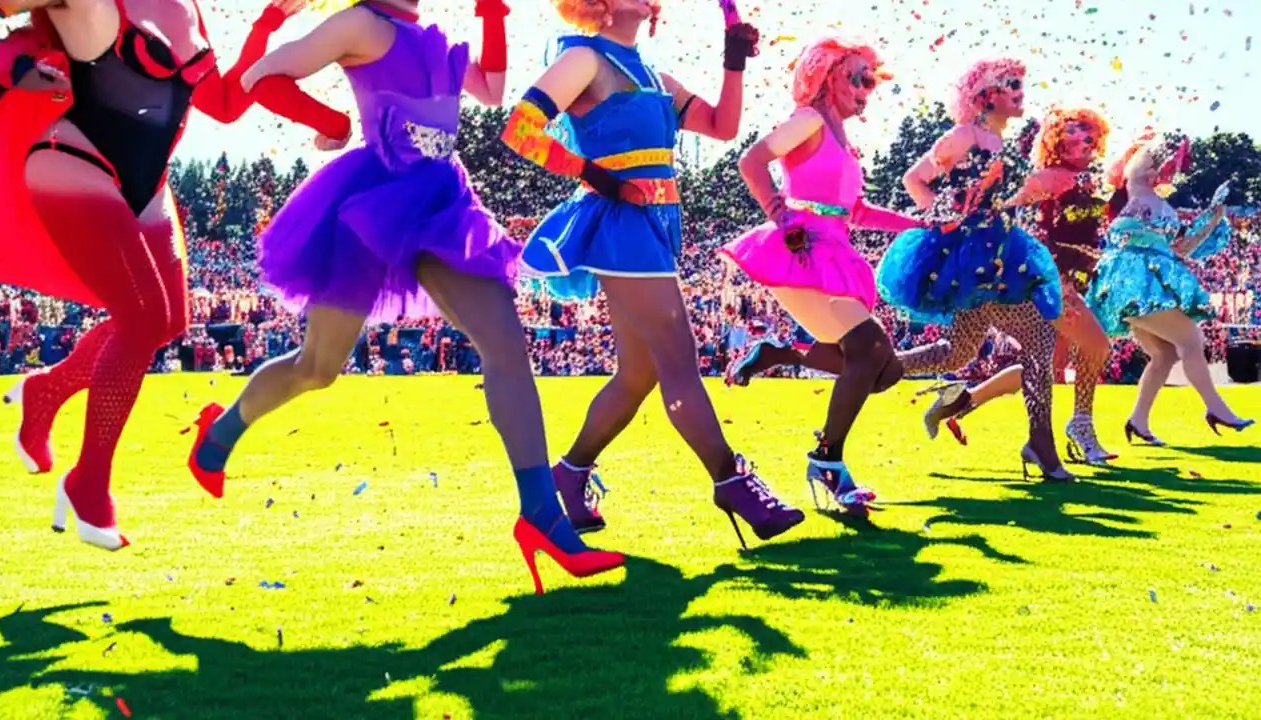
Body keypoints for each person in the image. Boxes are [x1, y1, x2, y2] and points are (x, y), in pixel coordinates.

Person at [186, 0, 623, 593]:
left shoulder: (431, 35)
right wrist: (335, 125)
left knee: (506, 344)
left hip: (442, 202)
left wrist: (492, 14)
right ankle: (222, 431)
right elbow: (261, 76)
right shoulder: (361, 23)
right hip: (376, 202)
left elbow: (492, 90)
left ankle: (542, 514)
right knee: (317, 368)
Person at [0, 0, 351, 551]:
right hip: (73, 156)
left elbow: (224, 103)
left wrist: (267, 22)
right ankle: (88, 486)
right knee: (140, 317)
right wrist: (9, 64)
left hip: (146, 185)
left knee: (169, 321)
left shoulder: (184, 8)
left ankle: (46, 391)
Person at [503, 0, 804, 549]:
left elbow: (722, 126)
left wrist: (733, 60)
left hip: (656, 222)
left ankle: (567, 477)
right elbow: (520, 130)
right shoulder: (584, 60)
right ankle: (730, 480)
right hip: (619, 221)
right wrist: (600, 177)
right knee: (678, 359)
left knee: (637, 374)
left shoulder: (651, 73)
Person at [719, 38, 930, 515]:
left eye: (869, 80)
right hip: (799, 248)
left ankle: (778, 353)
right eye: (855, 77)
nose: (864, 89)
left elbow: (855, 212)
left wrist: (916, 225)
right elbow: (751, 161)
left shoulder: (845, 143)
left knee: (886, 370)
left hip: (834, 247)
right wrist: (780, 215)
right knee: (870, 349)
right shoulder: (810, 120)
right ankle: (828, 461)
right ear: (826, 76)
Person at [874, 58, 1072, 482]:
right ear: (985, 94)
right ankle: (1041, 444)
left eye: (1022, 83)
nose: (1020, 91)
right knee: (1039, 337)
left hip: (1002, 250)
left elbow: (1000, 198)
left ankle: (875, 368)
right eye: (1011, 84)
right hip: (972, 258)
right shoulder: (965, 135)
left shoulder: (1003, 141)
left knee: (958, 352)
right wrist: (945, 216)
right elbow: (915, 179)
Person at [926, 108, 1117, 465]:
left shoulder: (1087, 180)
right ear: (1057, 141)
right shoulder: (1046, 178)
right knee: (1096, 345)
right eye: (1075, 135)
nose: (1085, 142)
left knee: (1044, 367)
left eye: (1091, 135)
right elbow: (1004, 209)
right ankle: (1082, 426)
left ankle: (959, 402)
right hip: (1051, 283)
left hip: (1076, 280)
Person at [1086, 132, 1253, 444]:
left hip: (1138, 286)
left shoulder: (1158, 204)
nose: (1158, 168)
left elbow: (1184, 247)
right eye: (1152, 163)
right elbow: (1136, 169)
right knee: (1191, 340)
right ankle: (1217, 409)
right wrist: (1160, 149)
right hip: (1133, 285)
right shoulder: (1136, 192)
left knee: (1164, 354)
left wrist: (1214, 215)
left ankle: (1138, 421)